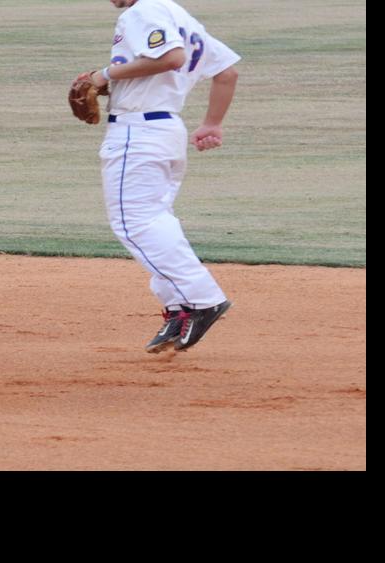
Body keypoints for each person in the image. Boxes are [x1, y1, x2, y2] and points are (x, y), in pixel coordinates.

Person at [86, 0, 239, 352]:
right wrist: (212, 123)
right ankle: (180, 308)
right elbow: (226, 71)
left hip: (138, 134)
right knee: (155, 220)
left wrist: (104, 75)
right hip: (165, 130)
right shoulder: (176, 12)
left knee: (134, 223)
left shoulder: (141, 11)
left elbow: (171, 58)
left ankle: (202, 299)